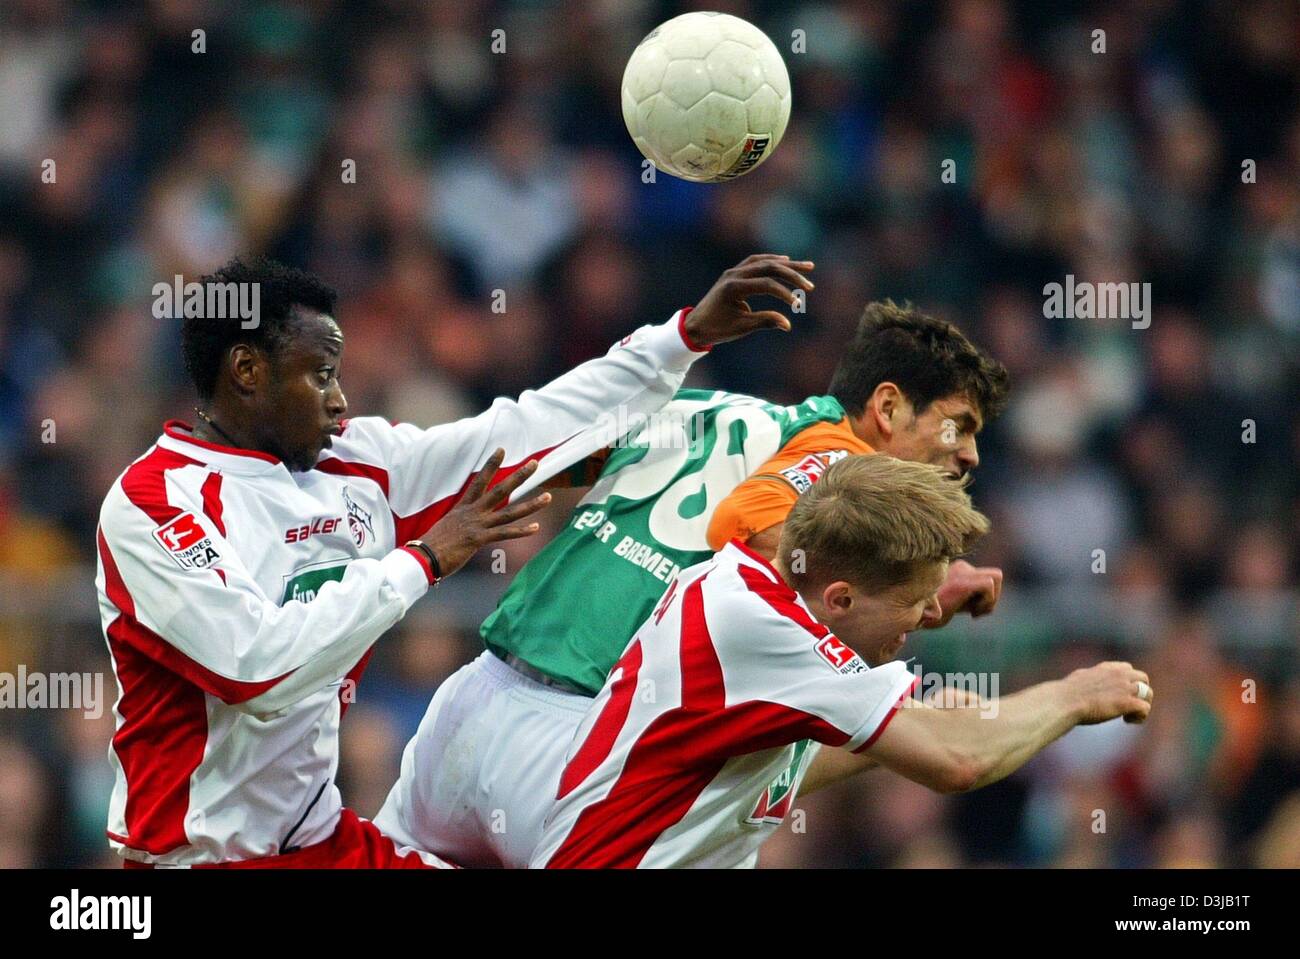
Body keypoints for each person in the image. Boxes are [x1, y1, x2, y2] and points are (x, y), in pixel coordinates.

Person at [95, 252, 812, 867]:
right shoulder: (152, 504)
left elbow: (527, 428)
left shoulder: (360, 463)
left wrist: (681, 338)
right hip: (196, 854)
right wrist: (426, 558)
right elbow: (252, 668)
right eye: (320, 375)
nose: (340, 400)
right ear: (247, 371)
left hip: (318, 839)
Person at [376, 301, 1010, 867]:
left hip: (472, 702)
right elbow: (751, 525)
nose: (970, 455)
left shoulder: (706, 407)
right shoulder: (843, 468)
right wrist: (899, 584)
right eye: (960, 426)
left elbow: (545, 468)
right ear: (889, 406)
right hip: (580, 744)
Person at [530, 454, 1155, 868]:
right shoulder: (783, 638)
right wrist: (1075, 694)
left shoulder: (749, 586)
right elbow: (960, 761)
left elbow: (757, 782)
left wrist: (912, 726)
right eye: (913, 604)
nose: (923, 620)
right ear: (841, 598)